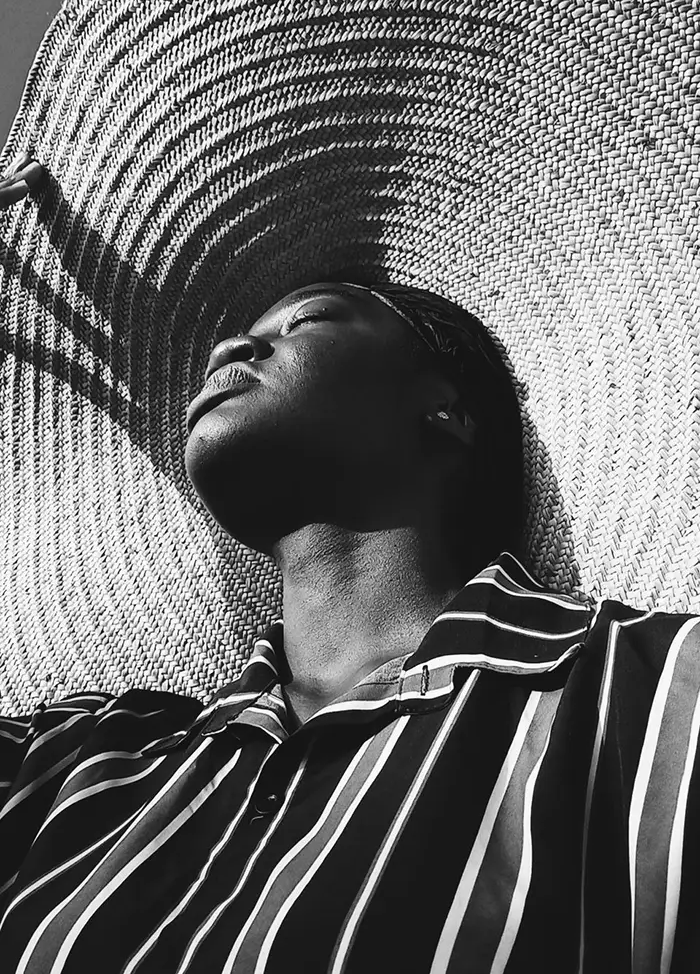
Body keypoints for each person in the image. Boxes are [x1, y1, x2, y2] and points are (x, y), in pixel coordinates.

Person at [1, 163, 699, 974]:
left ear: (445, 409)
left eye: (309, 318)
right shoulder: (86, 761)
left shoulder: (648, 694)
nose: (233, 344)